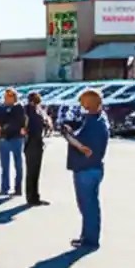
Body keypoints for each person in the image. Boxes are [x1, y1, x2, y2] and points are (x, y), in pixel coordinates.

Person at [61, 89, 109, 250]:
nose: (81, 106)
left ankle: (90, 240)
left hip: (87, 170)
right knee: (87, 206)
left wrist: (68, 136)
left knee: (88, 206)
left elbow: (85, 148)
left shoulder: (94, 123)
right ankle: (86, 236)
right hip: (90, 169)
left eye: (83, 103)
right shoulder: (97, 120)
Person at [0, 88, 27, 195]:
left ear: (14, 97)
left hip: (16, 138)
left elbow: (18, 121)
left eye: (10, 96)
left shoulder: (19, 107)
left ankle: (18, 188)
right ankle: (4, 187)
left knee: (18, 164)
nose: (7, 98)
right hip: (3, 139)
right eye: (6, 96)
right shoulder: (0, 108)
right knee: (4, 165)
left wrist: (5, 126)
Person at [24, 91, 53, 206]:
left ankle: (35, 196)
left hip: (38, 142)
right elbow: (24, 124)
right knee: (31, 171)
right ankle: (31, 197)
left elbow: (45, 121)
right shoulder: (27, 110)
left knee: (36, 171)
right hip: (30, 142)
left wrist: (48, 124)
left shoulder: (38, 110)